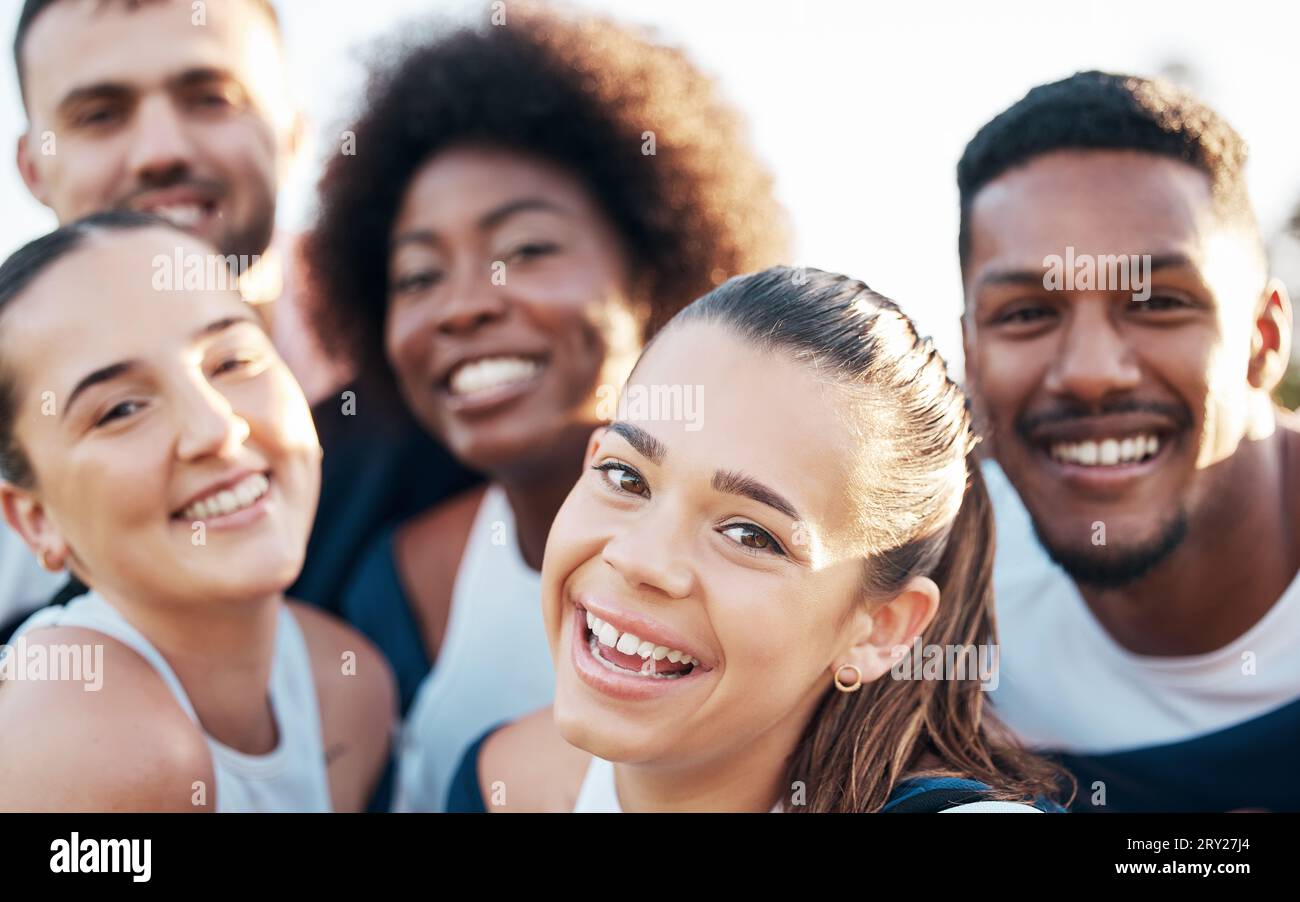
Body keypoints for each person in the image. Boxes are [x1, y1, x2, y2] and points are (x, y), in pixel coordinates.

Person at [304, 3, 789, 811]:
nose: (462, 308)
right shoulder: (396, 584)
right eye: (419, 277)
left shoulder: (783, 564)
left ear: (656, 271)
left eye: (525, 250)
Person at [447, 267, 1067, 813]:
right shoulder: (499, 781)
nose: (640, 559)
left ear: (882, 629)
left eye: (750, 534)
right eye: (626, 476)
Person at [5, 0, 466, 629]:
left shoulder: (437, 340)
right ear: (34, 168)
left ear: (292, 132)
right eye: (100, 115)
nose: (159, 153)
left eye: (211, 98)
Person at [958, 71, 1300, 811]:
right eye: (1026, 313)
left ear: (1262, 339)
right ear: (972, 356)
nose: (1091, 375)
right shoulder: (924, 589)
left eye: (1159, 303)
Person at [0, 212, 394, 812]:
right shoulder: (86, 740)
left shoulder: (349, 685)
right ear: (35, 520)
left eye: (232, 362)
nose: (216, 428)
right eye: (122, 409)